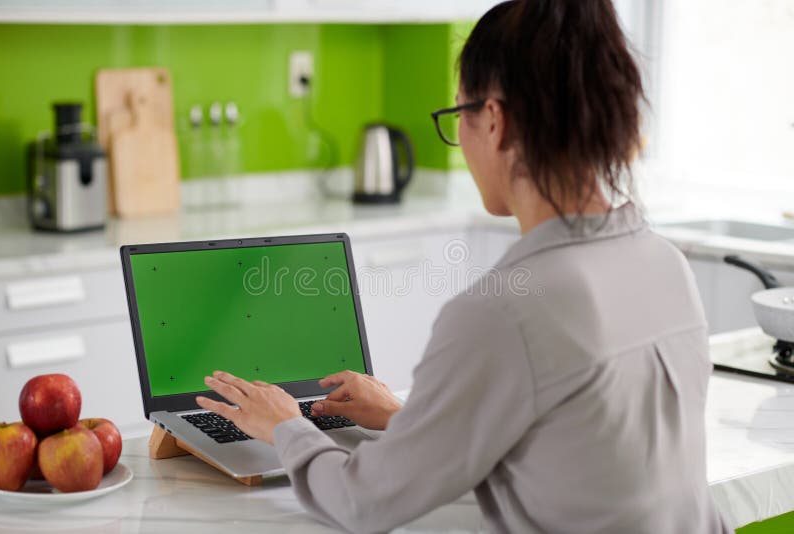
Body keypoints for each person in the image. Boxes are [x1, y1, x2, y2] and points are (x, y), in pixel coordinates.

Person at [196, 1, 731, 532]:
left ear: (494, 121)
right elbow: (573, 450)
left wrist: (287, 426)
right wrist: (409, 422)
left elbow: (362, 503)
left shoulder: (506, 310)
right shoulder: (663, 264)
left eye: (458, 116)